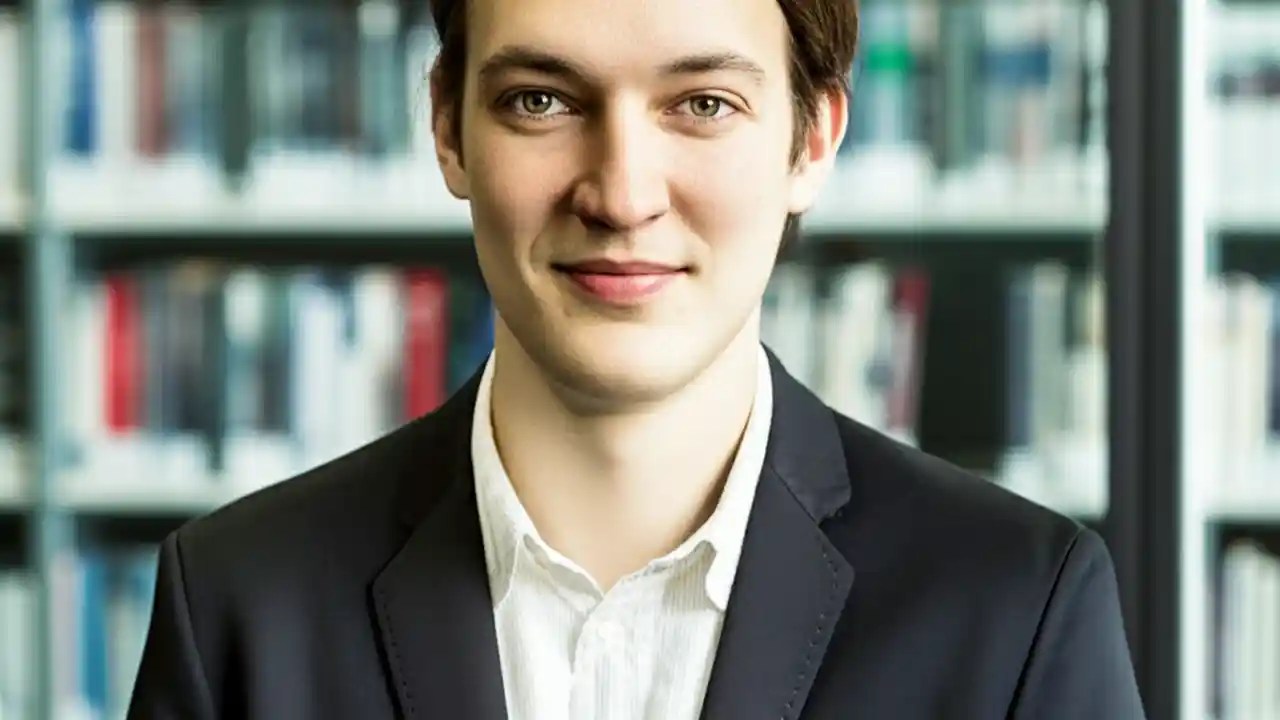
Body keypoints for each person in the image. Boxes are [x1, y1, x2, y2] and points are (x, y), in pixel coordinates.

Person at [128, 0, 1146, 717]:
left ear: (812, 140)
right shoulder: (239, 604)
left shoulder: (1013, 610)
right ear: (446, 127)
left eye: (701, 103)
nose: (619, 194)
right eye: (540, 100)